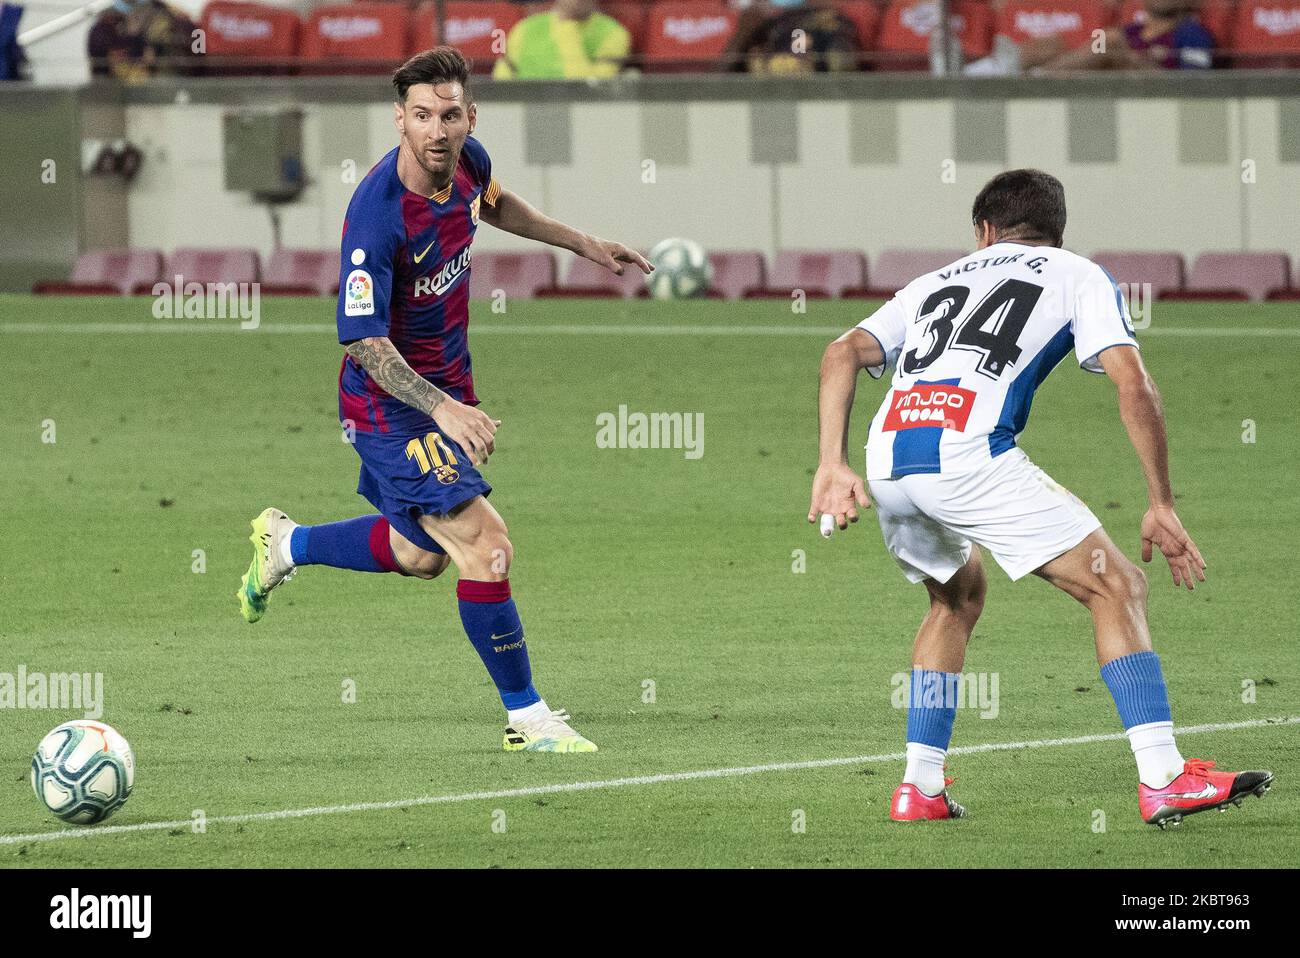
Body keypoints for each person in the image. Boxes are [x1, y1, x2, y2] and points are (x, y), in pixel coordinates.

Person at [808, 169, 1272, 827]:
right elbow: (1133, 383)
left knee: (955, 598)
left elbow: (841, 351)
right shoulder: (1076, 273)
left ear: (984, 230)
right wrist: (1160, 499)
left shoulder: (933, 282)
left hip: (891, 460)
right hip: (969, 457)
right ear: (1056, 230)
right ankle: (1165, 777)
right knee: (1118, 587)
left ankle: (920, 787)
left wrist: (832, 462)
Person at [237, 47, 652, 753]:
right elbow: (361, 343)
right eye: (422, 116)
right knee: (486, 546)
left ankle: (288, 543)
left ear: (469, 118)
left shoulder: (465, 161)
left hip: (445, 391)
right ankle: (529, 720)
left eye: (449, 115)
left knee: (423, 552)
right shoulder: (377, 218)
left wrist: (582, 243)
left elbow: (494, 202)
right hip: (389, 403)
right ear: (399, 120)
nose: (437, 129)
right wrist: (442, 409)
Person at [492, 0, 629, 79]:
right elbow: (502, 86)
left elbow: (587, 91)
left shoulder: (614, 34)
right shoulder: (525, 28)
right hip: (523, 114)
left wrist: (566, 24)